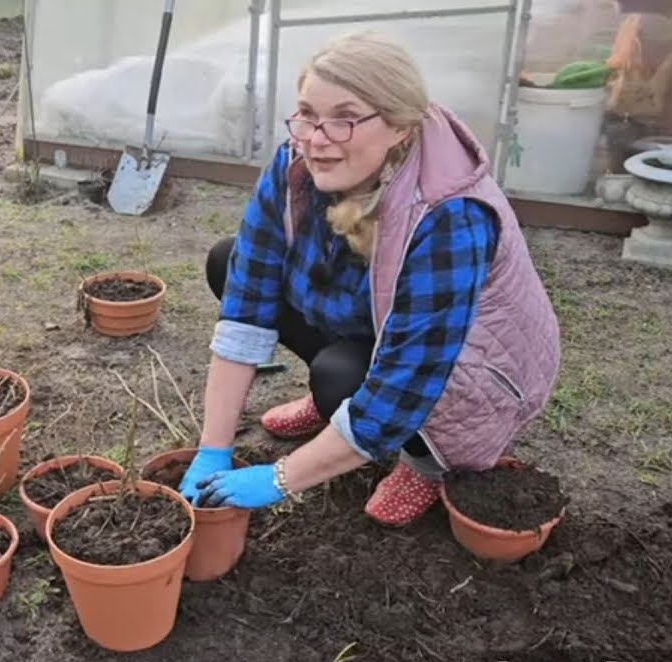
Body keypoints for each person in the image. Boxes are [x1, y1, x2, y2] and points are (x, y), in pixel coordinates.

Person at [182, 32, 561, 526]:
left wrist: (277, 478)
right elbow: (248, 298)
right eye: (309, 115)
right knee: (228, 260)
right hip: (377, 318)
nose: (319, 139)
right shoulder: (297, 161)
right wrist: (214, 448)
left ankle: (425, 461)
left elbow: (407, 380)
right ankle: (337, 415)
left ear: (400, 127)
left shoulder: (449, 215)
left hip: (468, 370)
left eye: (345, 119)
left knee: (341, 378)